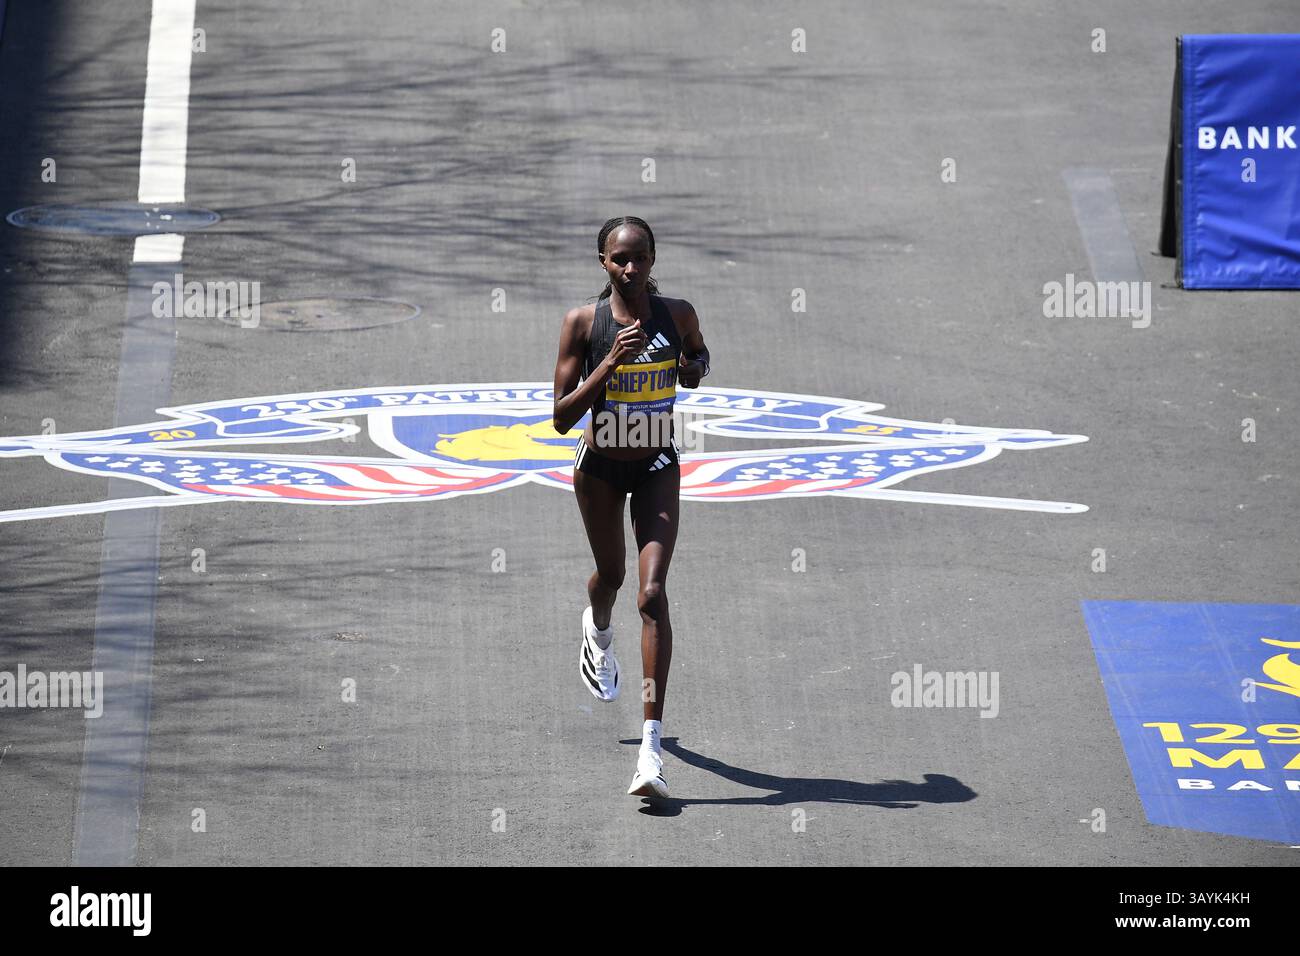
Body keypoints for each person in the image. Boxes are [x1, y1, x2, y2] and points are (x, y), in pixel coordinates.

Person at [551, 216, 711, 798]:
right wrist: (610, 363)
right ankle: (596, 626)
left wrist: (693, 370)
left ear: (652, 259)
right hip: (598, 469)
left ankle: (651, 749)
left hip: (655, 466)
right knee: (612, 578)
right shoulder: (583, 324)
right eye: (619, 259)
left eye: (640, 257)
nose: (631, 268)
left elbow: (697, 357)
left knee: (650, 593)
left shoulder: (677, 314)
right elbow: (562, 416)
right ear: (602, 262)